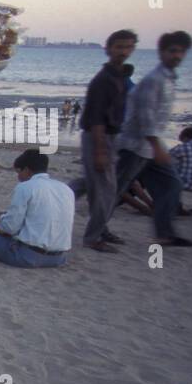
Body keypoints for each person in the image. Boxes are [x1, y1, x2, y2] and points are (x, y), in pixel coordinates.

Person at [114, 31, 192, 248]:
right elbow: (146, 115)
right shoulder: (154, 80)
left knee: (172, 185)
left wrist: (156, 146)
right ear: (162, 52)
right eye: (173, 51)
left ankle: (165, 233)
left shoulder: (169, 79)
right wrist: (156, 145)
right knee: (113, 188)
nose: (177, 55)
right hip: (136, 145)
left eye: (181, 51)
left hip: (151, 148)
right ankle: (95, 228)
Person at [76, 29, 139, 252]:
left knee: (93, 185)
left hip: (111, 137)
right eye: (118, 46)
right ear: (108, 49)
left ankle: (98, 229)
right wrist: (101, 151)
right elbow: (96, 118)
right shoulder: (103, 81)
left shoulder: (120, 76)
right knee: (105, 190)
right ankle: (93, 237)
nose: (123, 51)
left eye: (128, 47)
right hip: (98, 137)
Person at [0, 149, 73, 267]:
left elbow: (10, 228)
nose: (18, 177)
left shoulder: (25, 187)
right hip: (59, 258)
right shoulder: (66, 189)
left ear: (27, 170)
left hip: (27, 256)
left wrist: (0, 223)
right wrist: (5, 215)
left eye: (19, 172)